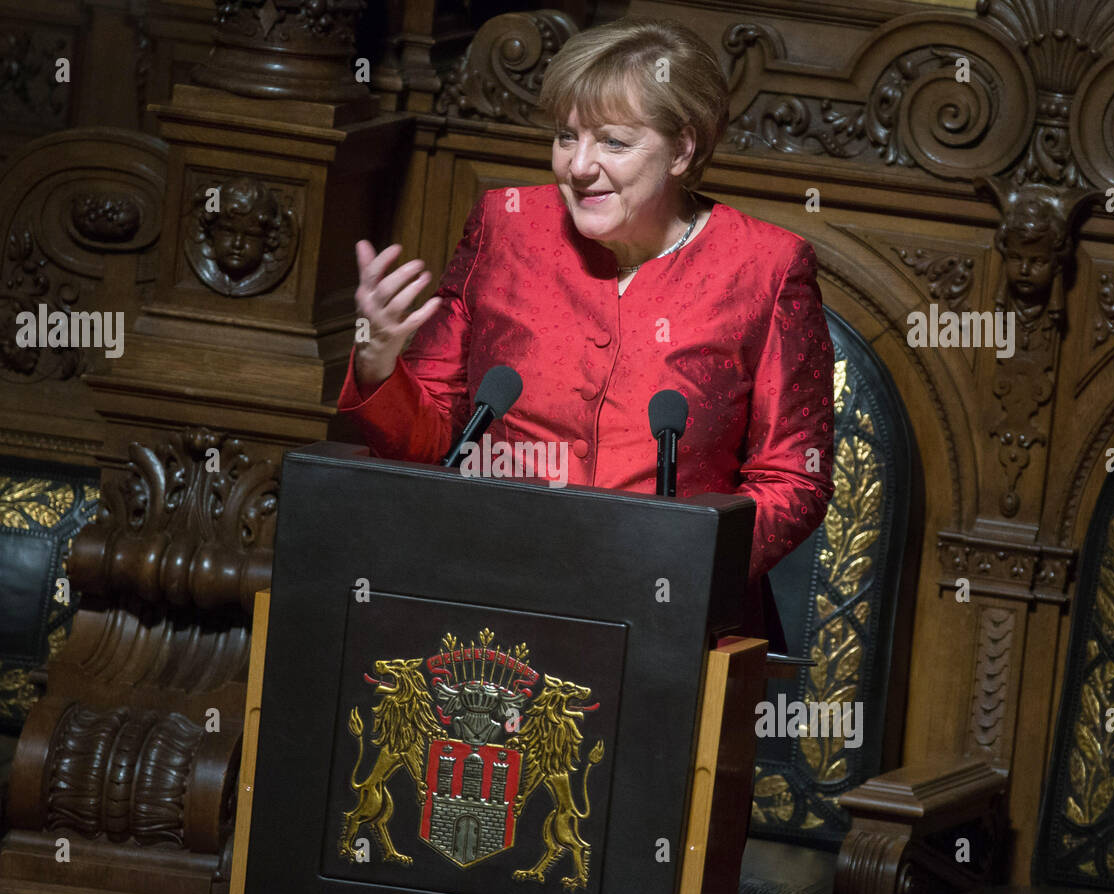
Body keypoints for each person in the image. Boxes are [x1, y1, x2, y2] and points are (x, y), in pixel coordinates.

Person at [338, 18, 834, 652]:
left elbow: (795, 476)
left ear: (681, 150)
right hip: (485, 608)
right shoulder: (506, 227)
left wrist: (680, 566)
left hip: (669, 626)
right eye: (565, 137)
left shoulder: (766, 267)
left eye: (614, 143)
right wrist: (381, 366)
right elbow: (436, 442)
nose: (578, 167)